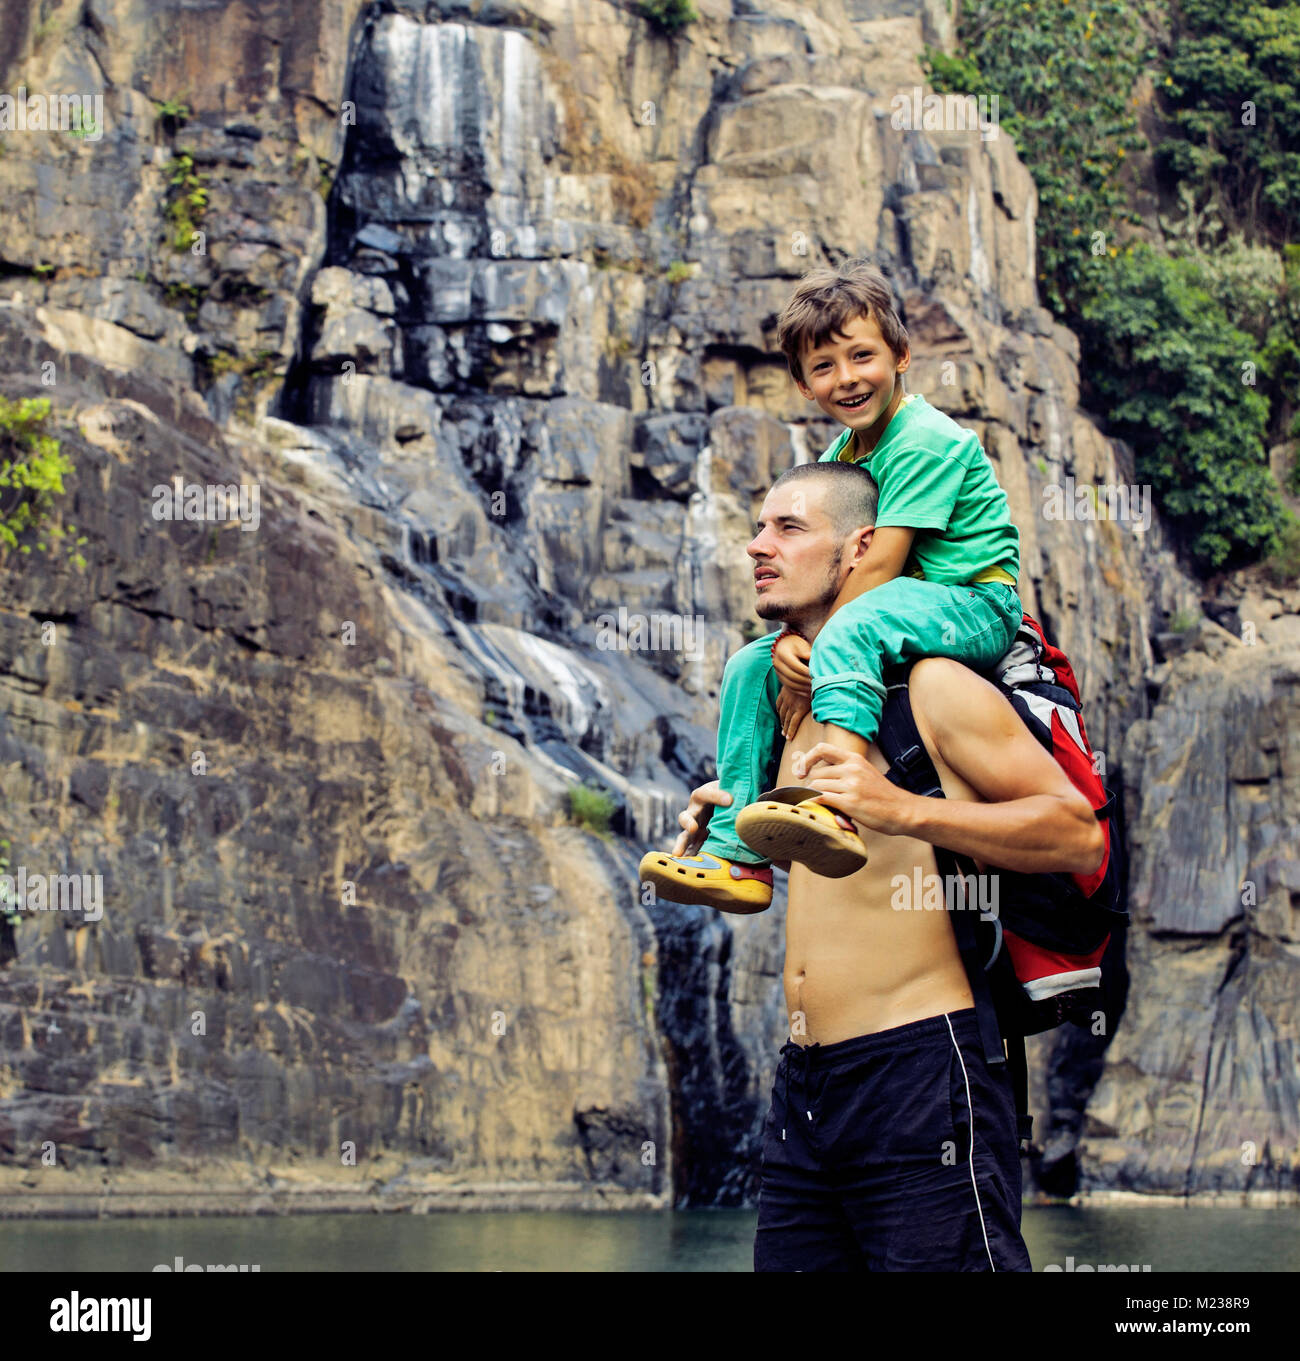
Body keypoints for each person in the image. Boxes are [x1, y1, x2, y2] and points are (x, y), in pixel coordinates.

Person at [667, 462, 1103, 1271]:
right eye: (759, 528)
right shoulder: (796, 704)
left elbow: (1078, 834)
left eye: (789, 529)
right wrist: (735, 813)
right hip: (803, 1085)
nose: (759, 546)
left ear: (861, 547)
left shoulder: (934, 687)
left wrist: (898, 805)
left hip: (920, 1071)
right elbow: (850, 880)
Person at [640, 260, 1022, 912]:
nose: (846, 377)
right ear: (802, 385)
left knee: (846, 627)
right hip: (899, 607)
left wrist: (812, 660)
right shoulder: (846, 454)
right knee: (747, 666)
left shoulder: (923, 439)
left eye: (862, 356)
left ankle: (834, 802)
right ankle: (736, 854)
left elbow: (877, 565)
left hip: (973, 603)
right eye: (823, 366)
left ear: (901, 355)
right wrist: (786, 644)